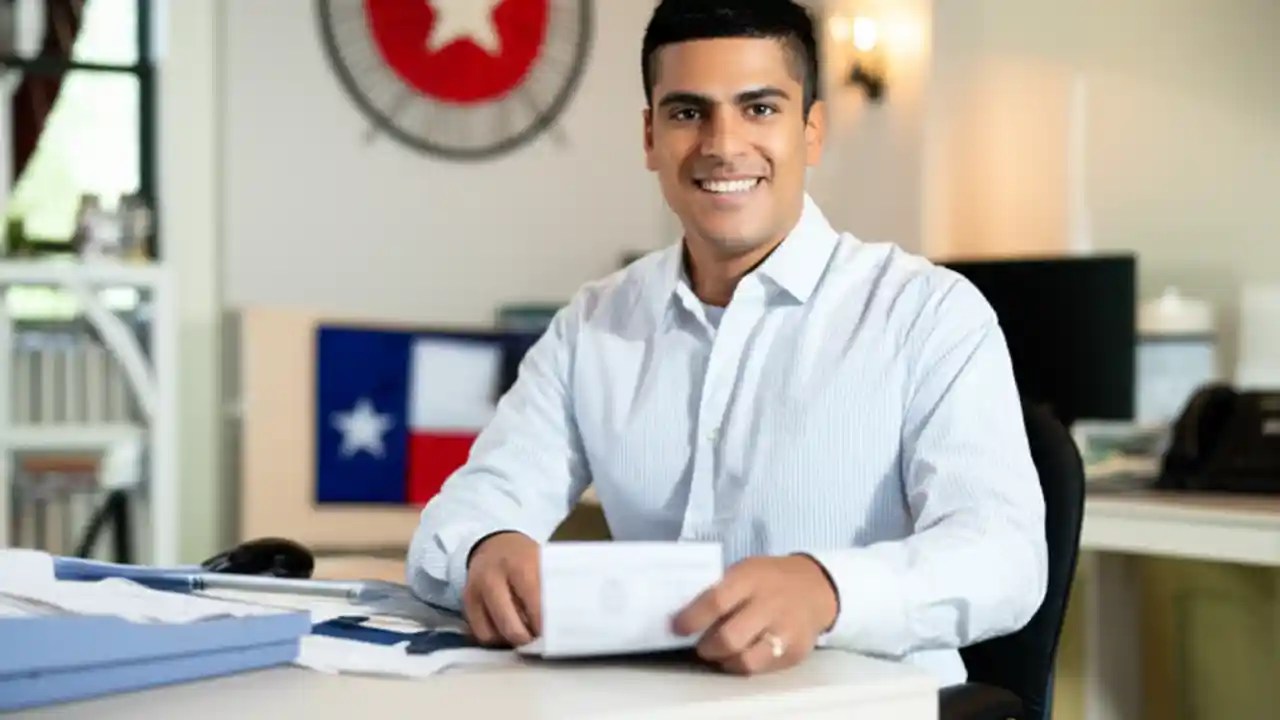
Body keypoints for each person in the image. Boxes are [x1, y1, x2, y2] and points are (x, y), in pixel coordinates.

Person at [408, 0, 1047, 684]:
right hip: (653, 702)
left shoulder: (930, 315)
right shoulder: (593, 323)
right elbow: (462, 516)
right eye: (688, 112)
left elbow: (1004, 559)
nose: (721, 144)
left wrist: (827, 589)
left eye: (760, 109)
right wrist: (488, 546)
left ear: (813, 131)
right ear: (651, 137)